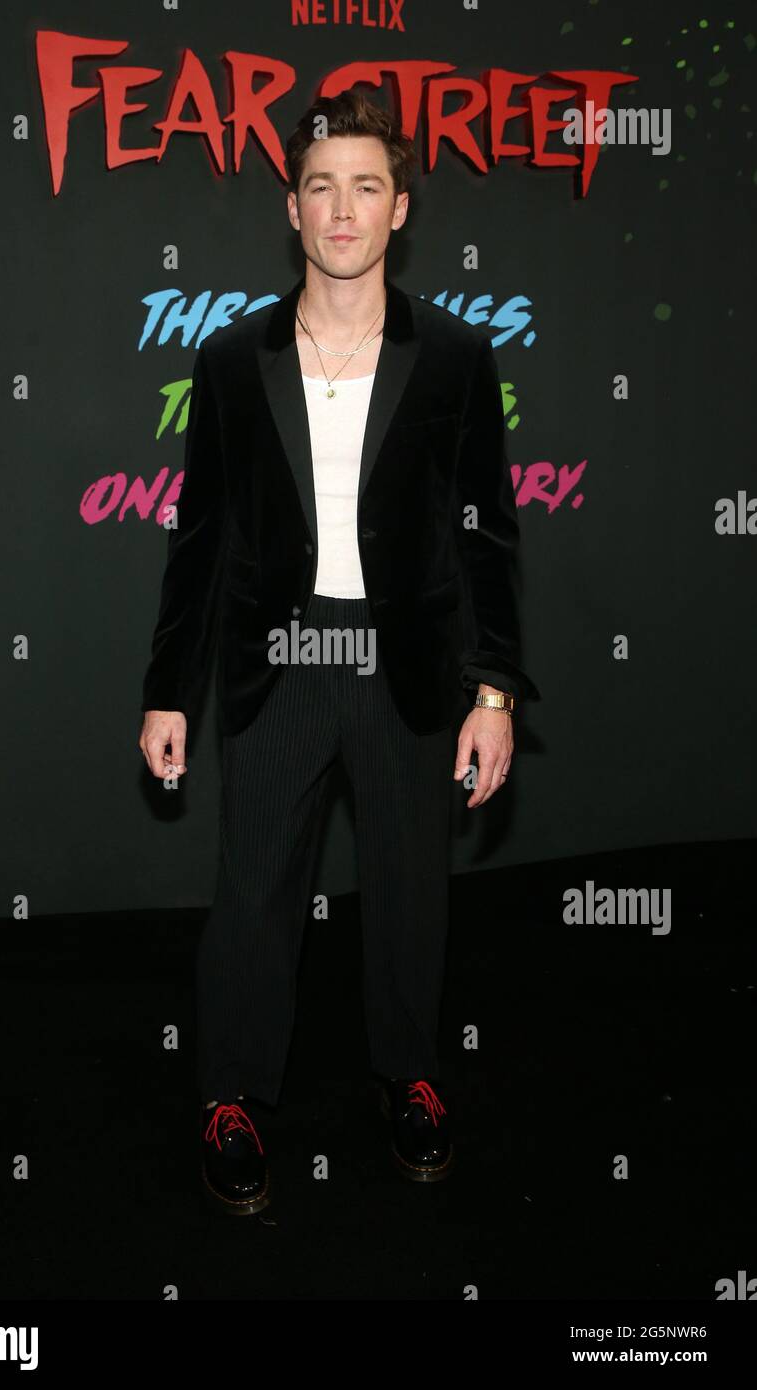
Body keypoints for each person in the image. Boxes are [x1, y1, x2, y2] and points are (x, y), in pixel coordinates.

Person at [138, 91, 540, 1215]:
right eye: (322, 185)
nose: (344, 207)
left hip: (408, 662)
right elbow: (199, 536)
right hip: (279, 658)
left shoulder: (457, 357)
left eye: (367, 185)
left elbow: (489, 536)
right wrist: (168, 690)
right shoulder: (232, 358)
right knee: (253, 888)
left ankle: (409, 1076)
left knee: (411, 889)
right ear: (294, 209)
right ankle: (230, 1095)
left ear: (400, 208)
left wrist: (495, 689)